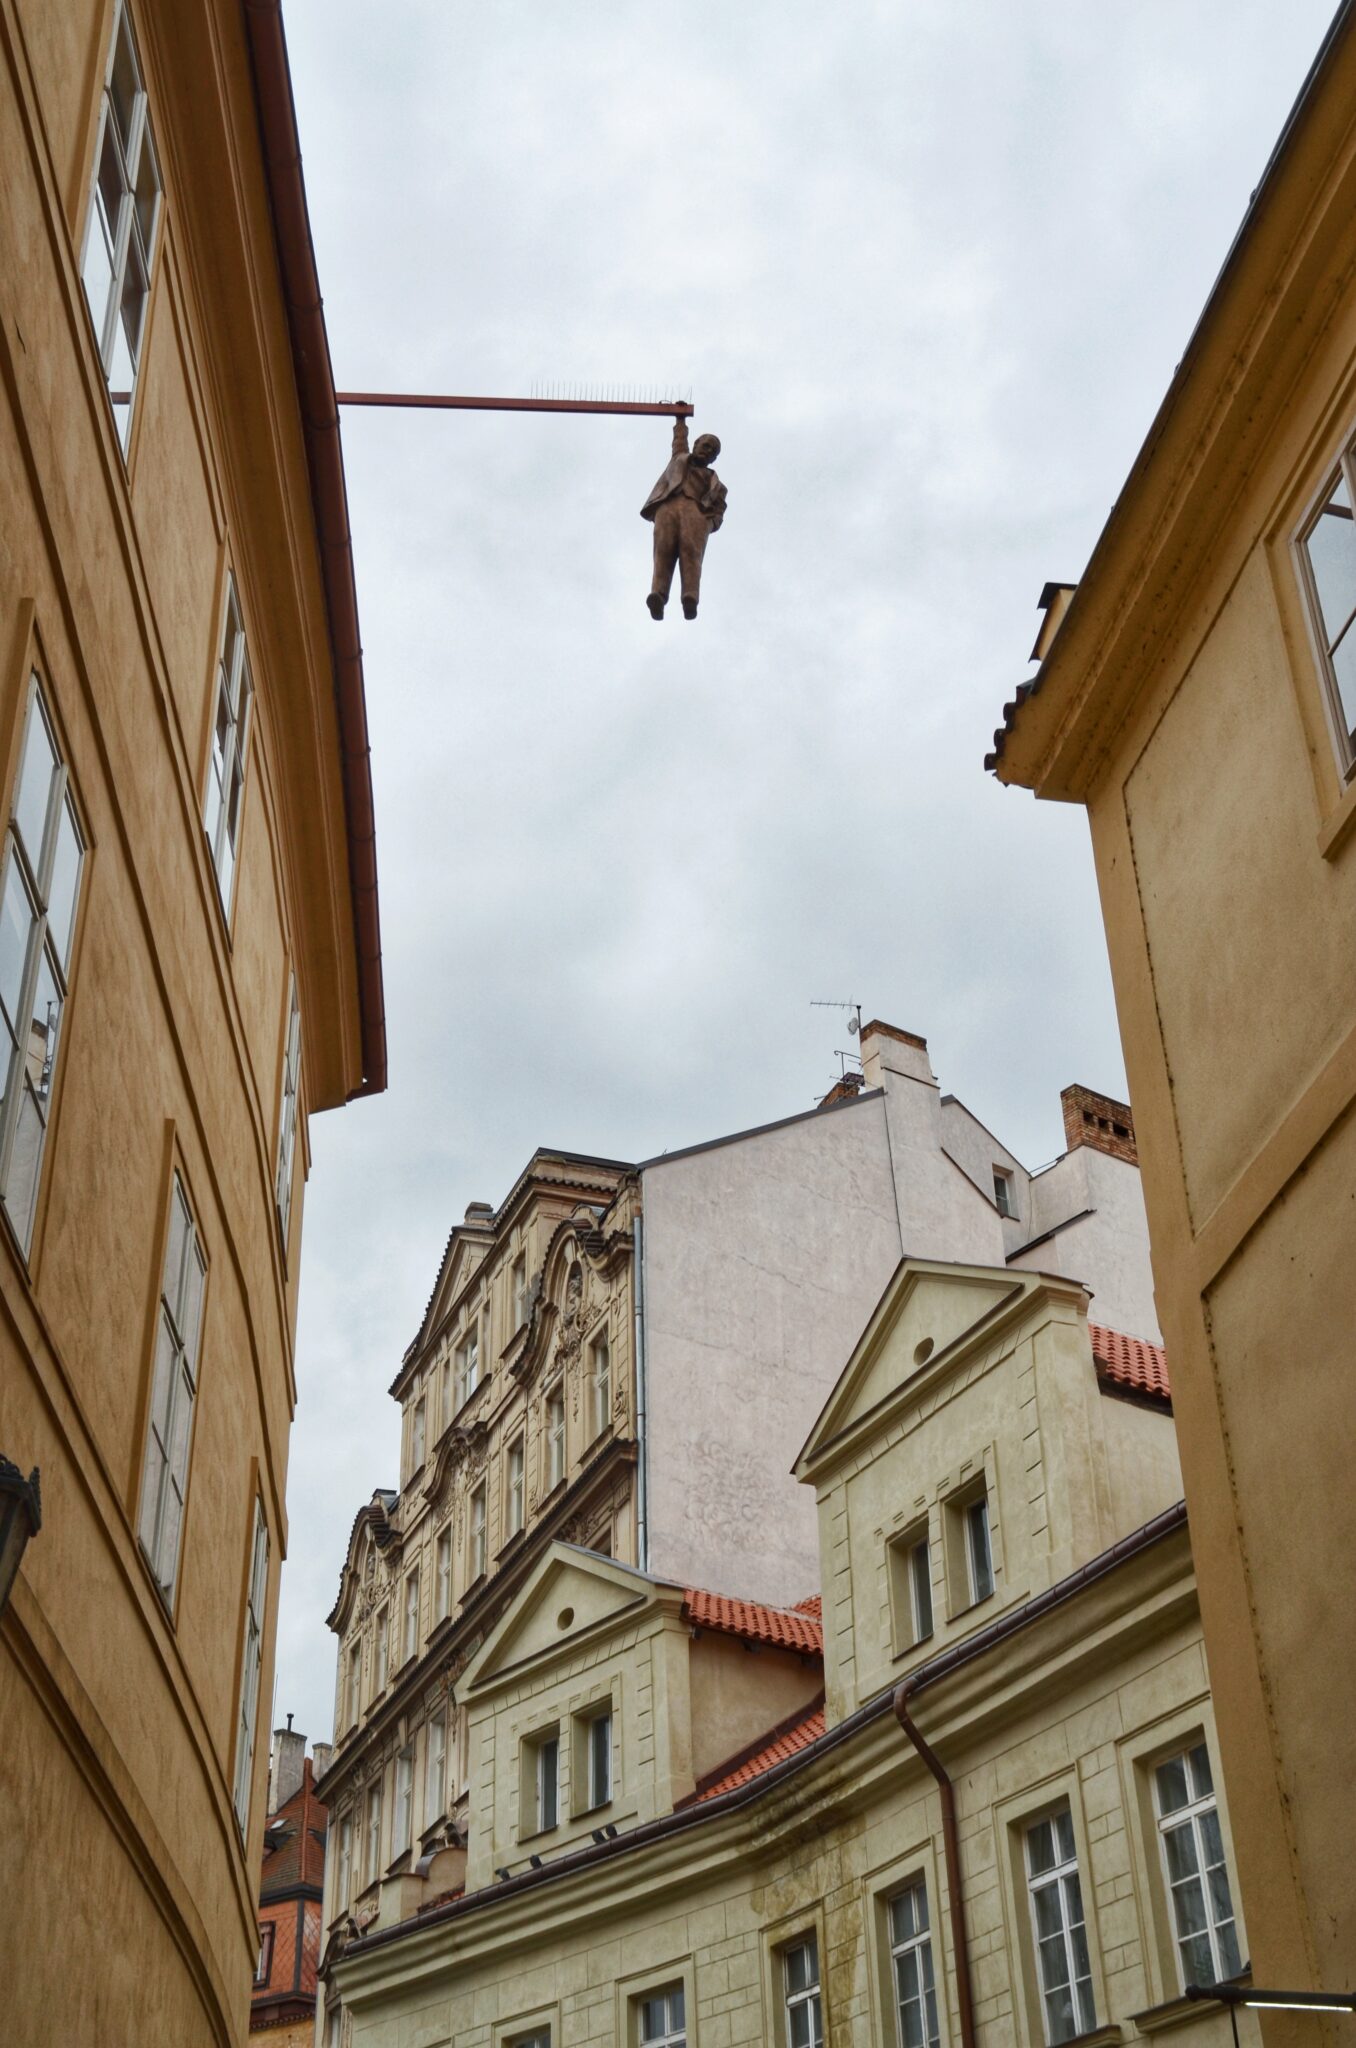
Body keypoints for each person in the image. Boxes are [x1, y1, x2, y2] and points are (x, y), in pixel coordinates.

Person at [641, 418, 727, 619]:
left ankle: (690, 597)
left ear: (714, 459)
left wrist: (708, 523)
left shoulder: (718, 486)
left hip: (696, 512)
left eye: (713, 451)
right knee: (663, 549)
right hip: (669, 507)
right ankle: (658, 595)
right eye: (706, 445)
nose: (708, 451)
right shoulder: (680, 458)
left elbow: (719, 510)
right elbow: (679, 438)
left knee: (691, 552)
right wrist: (681, 419)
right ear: (696, 444)